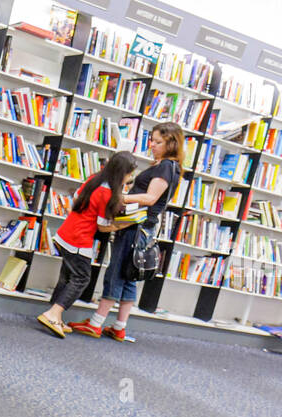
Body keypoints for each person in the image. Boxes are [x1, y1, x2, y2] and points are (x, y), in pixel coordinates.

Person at [70, 123, 184, 343]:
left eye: (158, 142)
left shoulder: (166, 167)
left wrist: (120, 198)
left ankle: (95, 323)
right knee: (129, 274)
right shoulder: (169, 166)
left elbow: (150, 198)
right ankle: (119, 327)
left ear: (171, 143)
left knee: (116, 272)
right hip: (144, 226)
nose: (152, 145)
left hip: (135, 225)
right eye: (152, 140)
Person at [36, 151, 139, 339]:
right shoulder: (107, 193)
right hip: (79, 239)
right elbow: (102, 226)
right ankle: (53, 314)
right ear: (121, 173)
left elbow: (76, 200)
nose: (130, 178)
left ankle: (54, 314)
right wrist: (127, 223)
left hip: (66, 233)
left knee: (66, 277)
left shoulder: (94, 179)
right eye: (129, 174)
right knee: (81, 279)